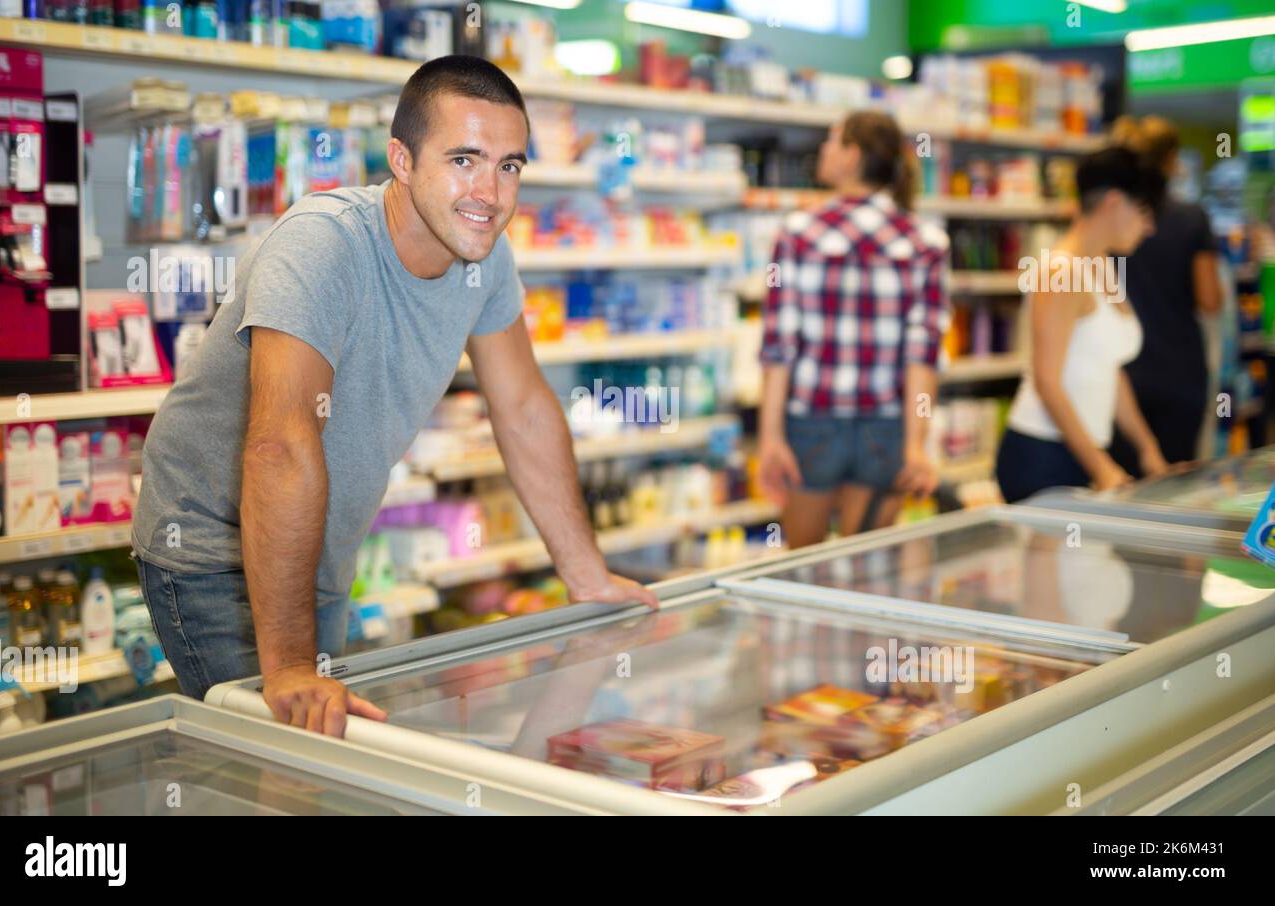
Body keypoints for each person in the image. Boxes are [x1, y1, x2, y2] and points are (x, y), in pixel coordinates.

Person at [131, 56, 658, 738]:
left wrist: (587, 576)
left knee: (310, 768)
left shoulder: (485, 260)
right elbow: (281, 443)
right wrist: (290, 667)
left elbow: (524, 408)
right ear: (402, 161)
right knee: (284, 754)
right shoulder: (323, 244)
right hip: (209, 548)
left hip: (314, 549)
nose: (490, 192)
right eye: (464, 159)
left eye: (509, 166)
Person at [757, 110, 948, 547]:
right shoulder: (926, 241)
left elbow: (778, 344)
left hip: (812, 421)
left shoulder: (797, 233)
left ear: (851, 156)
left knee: (799, 570)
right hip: (886, 427)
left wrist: (770, 437)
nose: (822, 152)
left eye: (831, 142)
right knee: (867, 573)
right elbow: (924, 354)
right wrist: (916, 444)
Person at [996, 146, 1170, 502]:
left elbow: (1110, 368)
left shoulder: (1104, 265)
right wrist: (1100, 467)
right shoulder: (1061, 271)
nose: (1149, 228)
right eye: (1143, 213)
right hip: (1042, 453)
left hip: (1081, 452)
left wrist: (1147, 448)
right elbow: (1047, 381)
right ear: (1113, 202)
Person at [1111, 115, 1223, 467]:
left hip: (1121, 371)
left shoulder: (1114, 215)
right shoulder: (1191, 218)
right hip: (1179, 371)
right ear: (1172, 159)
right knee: (1175, 484)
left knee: (1123, 486)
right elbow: (1210, 300)